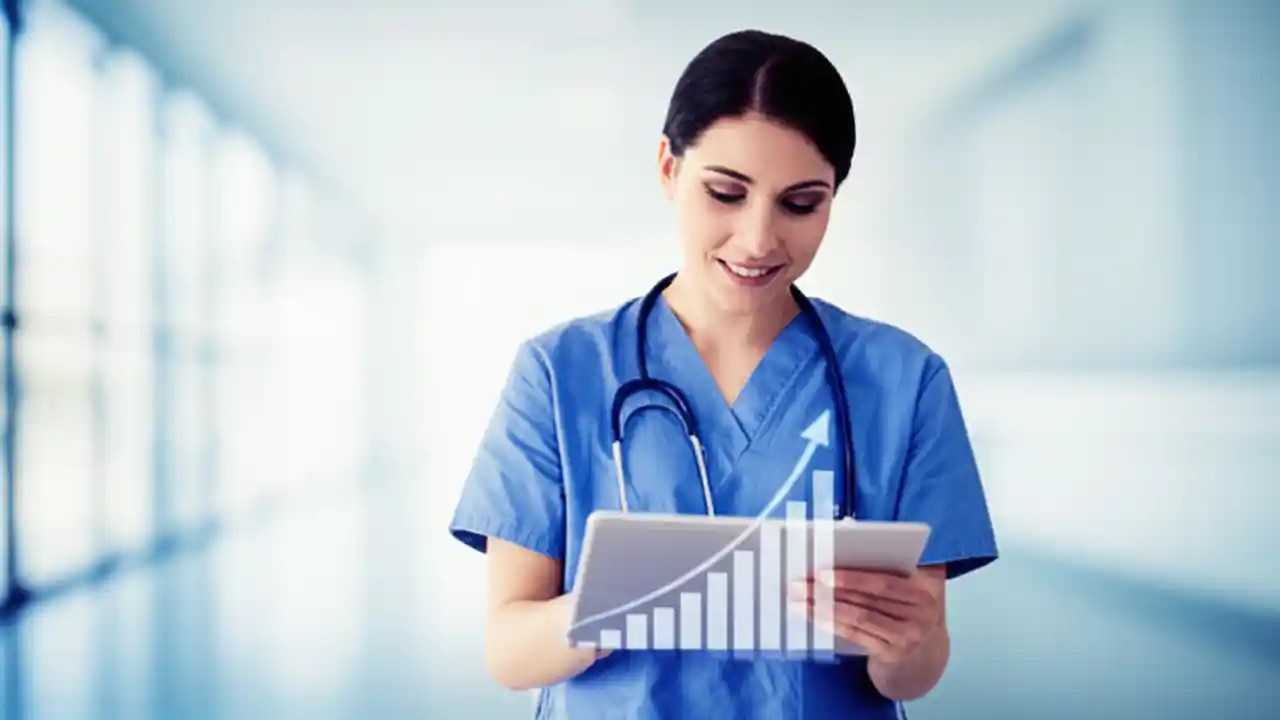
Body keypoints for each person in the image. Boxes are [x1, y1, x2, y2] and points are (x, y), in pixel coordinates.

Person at [449, 28, 998, 719]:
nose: (760, 239)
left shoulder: (905, 381)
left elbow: (915, 671)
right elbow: (509, 649)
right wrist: (615, 605)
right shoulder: (559, 373)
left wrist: (904, 645)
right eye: (725, 192)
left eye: (801, 203)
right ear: (668, 168)